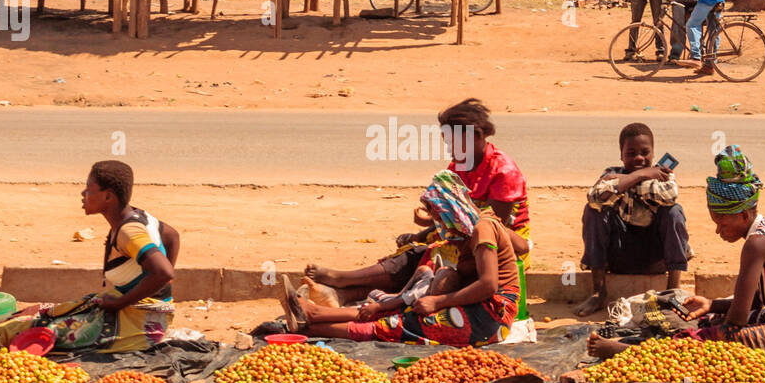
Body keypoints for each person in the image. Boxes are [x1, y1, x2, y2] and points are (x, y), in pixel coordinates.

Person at [589, 146, 765, 359]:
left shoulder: (757, 244)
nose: (718, 231)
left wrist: (718, 326)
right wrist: (712, 304)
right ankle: (673, 345)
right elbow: (758, 300)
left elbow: (737, 321)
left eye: (722, 223)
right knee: (709, 320)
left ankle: (637, 354)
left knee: (726, 339)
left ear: (744, 215)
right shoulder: (763, 230)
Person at [0, 161, 178, 353]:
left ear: (107, 197)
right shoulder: (140, 217)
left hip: (135, 326)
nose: (83, 194)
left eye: (88, 189)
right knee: (37, 310)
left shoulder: (128, 231)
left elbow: (164, 272)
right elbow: (172, 236)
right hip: (140, 314)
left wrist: (122, 302)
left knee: (33, 327)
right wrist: (156, 297)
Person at [283, 171, 521, 346]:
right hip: (477, 304)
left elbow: (489, 285)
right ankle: (313, 318)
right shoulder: (477, 227)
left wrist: (439, 302)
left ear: (452, 209)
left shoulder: (482, 229)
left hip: (492, 316)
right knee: (403, 309)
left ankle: (313, 326)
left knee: (405, 324)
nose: (440, 224)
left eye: (440, 216)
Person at [574, 122, 691, 316]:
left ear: (653, 154)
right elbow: (595, 198)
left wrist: (619, 183)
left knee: (674, 212)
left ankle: (672, 291)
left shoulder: (662, 174)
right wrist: (642, 175)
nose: (639, 158)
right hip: (619, 255)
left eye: (645, 152)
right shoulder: (613, 171)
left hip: (655, 257)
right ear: (621, 155)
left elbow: (670, 194)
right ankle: (598, 293)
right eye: (631, 153)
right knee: (594, 211)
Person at [432, 98, 530, 251]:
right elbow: (454, 216)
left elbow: (489, 226)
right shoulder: (458, 167)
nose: (450, 150)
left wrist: (456, 205)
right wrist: (431, 221)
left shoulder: (504, 172)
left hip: (498, 247)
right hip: (466, 237)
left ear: (476, 136)